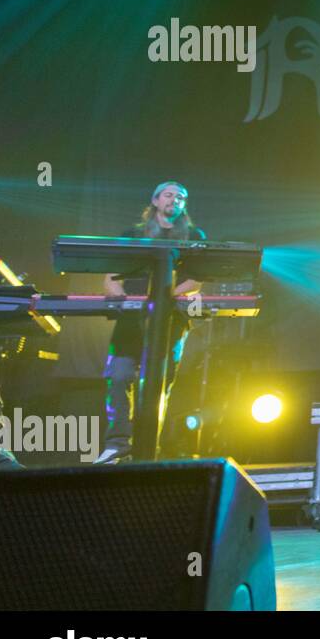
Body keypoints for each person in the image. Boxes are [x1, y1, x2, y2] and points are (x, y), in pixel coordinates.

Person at [94, 182, 204, 463]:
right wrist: (126, 301)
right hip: (132, 320)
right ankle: (118, 445)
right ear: (155, 200)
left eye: (181, 197)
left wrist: (164, 299)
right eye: (169, 194)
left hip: (171, 322)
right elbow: (110, 277)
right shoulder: (132, 234)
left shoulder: (193, 235)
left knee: (158, 383)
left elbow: (197, 279)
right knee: (118, 377)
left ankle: (147, 448)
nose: (175, 200)